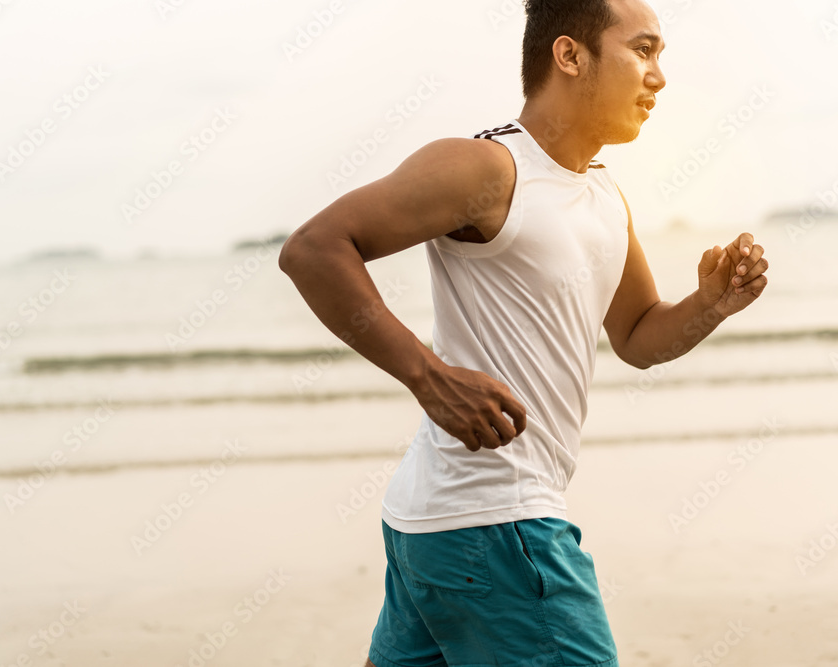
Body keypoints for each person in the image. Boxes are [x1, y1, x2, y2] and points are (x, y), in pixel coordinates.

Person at [279, 0, 769, 664]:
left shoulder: (603, 197)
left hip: (438, 526)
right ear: (570, 55)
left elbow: (638, 336)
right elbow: (314, 249)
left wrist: (710, 304)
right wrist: (428, 376)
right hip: (499, 522)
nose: (659, 76)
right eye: (643, 51)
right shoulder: (488, 168)